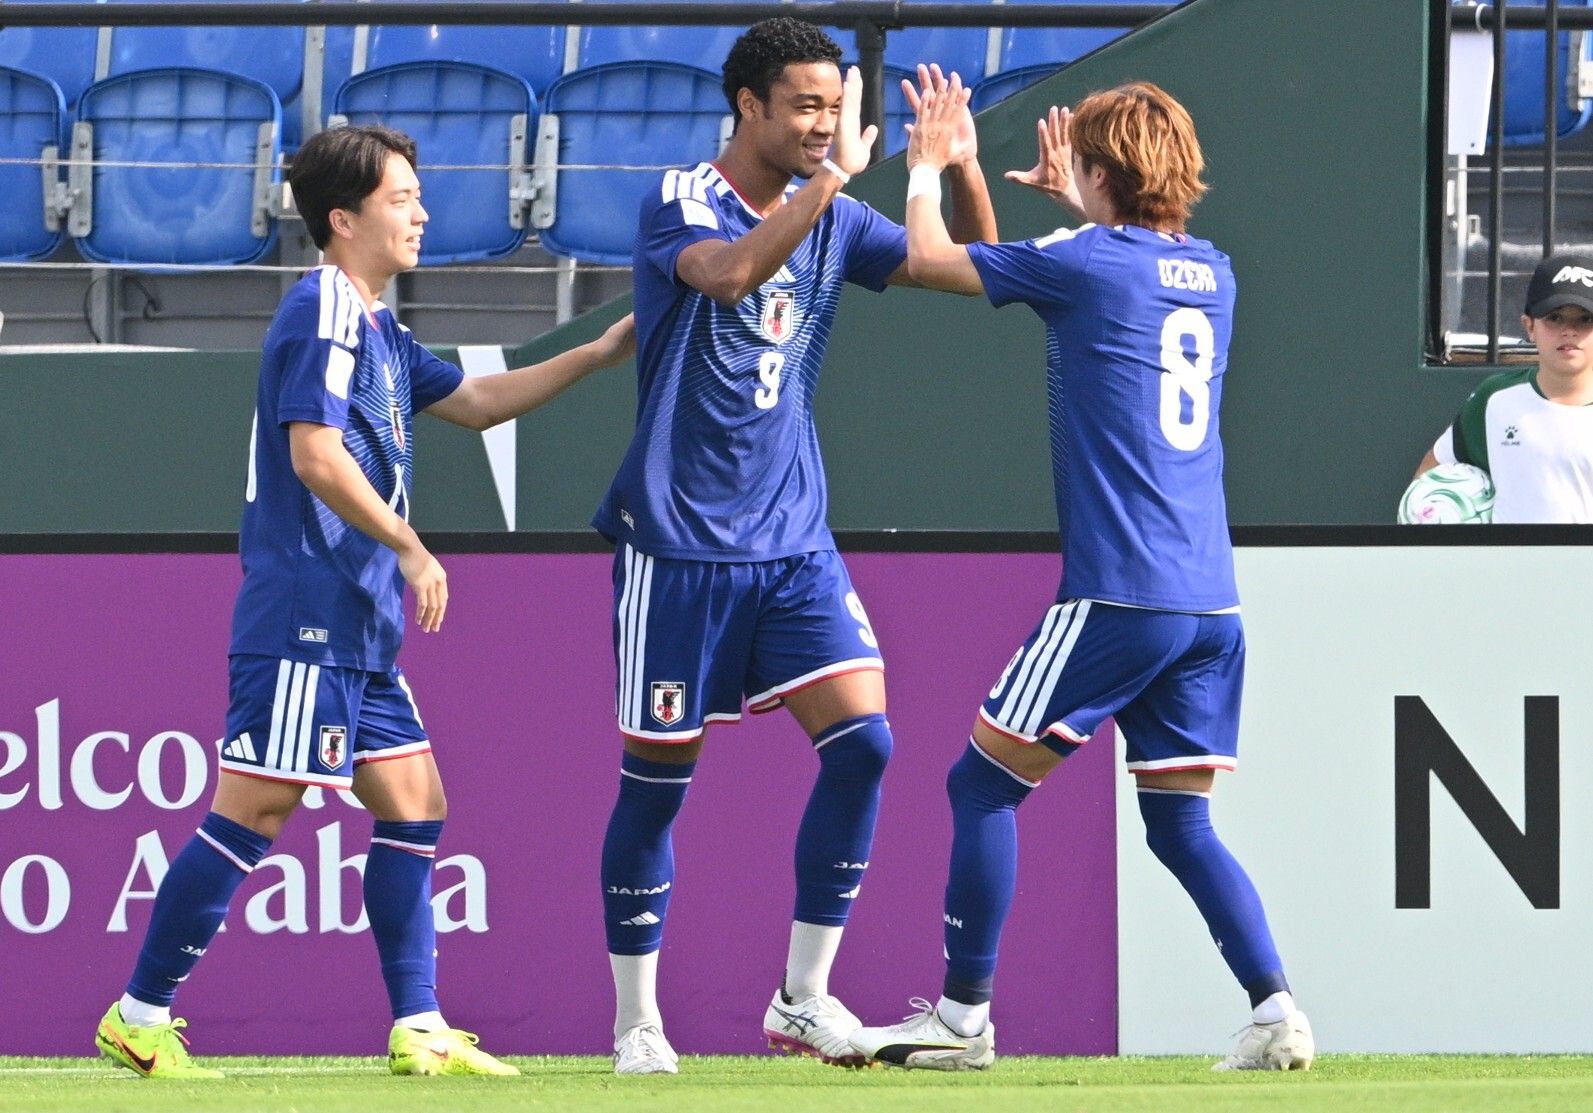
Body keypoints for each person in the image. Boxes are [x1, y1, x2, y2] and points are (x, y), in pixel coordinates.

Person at [93, 124, 636, 1079]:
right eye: (402, 198)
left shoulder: (378, 326)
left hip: (359, 629)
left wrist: (597, 353)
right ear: (343, 220)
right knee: (256, 812)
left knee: (415, 800)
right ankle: (138, 1014)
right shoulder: (322, 311)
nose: (423, 212)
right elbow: (313, 454)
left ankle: (419, 1025)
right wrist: (410, 544)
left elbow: (475, 401)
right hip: (309, 611)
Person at [846, 81, 1314, 1072]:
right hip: (1210, 606)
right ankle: (1276, 1009)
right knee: (1182, 820)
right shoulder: (1212, 271)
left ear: (1101, 174)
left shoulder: (1089, 260)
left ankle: (963, 1023)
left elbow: (932, 259)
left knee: (979, 788)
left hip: (1119, 592)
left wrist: (929, 161)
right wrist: (1077, 205)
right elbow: (1097, 281)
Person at [591, 17, 997, 1076]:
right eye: (808, 105)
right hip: (679, 546)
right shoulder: (683, 199)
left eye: (836, 105)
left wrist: (954, 168)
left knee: (866, 744)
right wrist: (831, 183)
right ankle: (637, 1019)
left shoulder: (837, 210)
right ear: (751, 107)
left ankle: (802, 1001)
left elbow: (964, 267)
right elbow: (726, 275)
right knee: (655, 786)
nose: (826, 124)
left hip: (794, 543)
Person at [1412, 251, 1593, 521]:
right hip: (1510, 564)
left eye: (1585, 319)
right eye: (1554, 318)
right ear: (1529, 326)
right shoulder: (1496, 399)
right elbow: (1430, 476)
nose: (1569, 330)